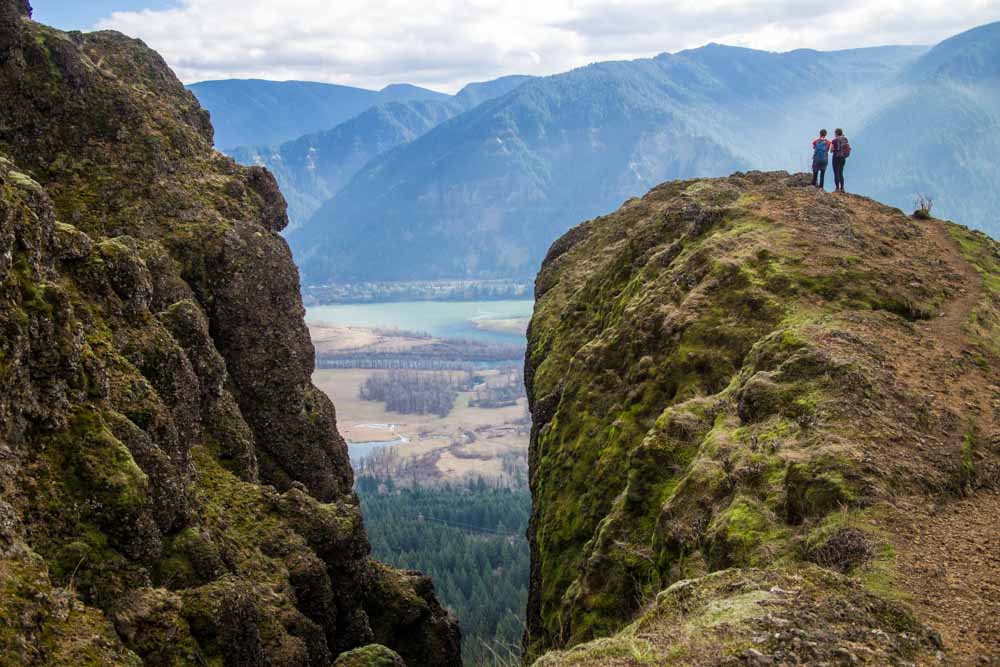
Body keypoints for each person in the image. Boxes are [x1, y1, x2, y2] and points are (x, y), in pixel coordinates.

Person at [830, 128, 850, 193]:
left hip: (836, 157)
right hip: (843, 158)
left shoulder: (834, 141)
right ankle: (842, 188)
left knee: (836, 173)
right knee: (841, 173)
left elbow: (831, 150)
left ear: (836, 133)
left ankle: (837, 188)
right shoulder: (845, 140)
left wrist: (833, 149)